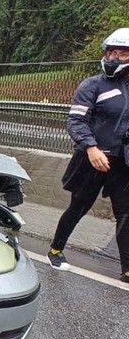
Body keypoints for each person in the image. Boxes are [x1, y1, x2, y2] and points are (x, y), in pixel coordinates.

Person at [48, 27, 129, 282]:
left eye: (122, 53)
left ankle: (127, 267)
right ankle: (55, 249)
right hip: (92, 159)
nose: (114, 57)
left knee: (126, 213)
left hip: (123, 163)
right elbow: (76, 121)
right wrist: (91, 147)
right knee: (79, 206)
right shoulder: (93, 85)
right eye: (110, 52)